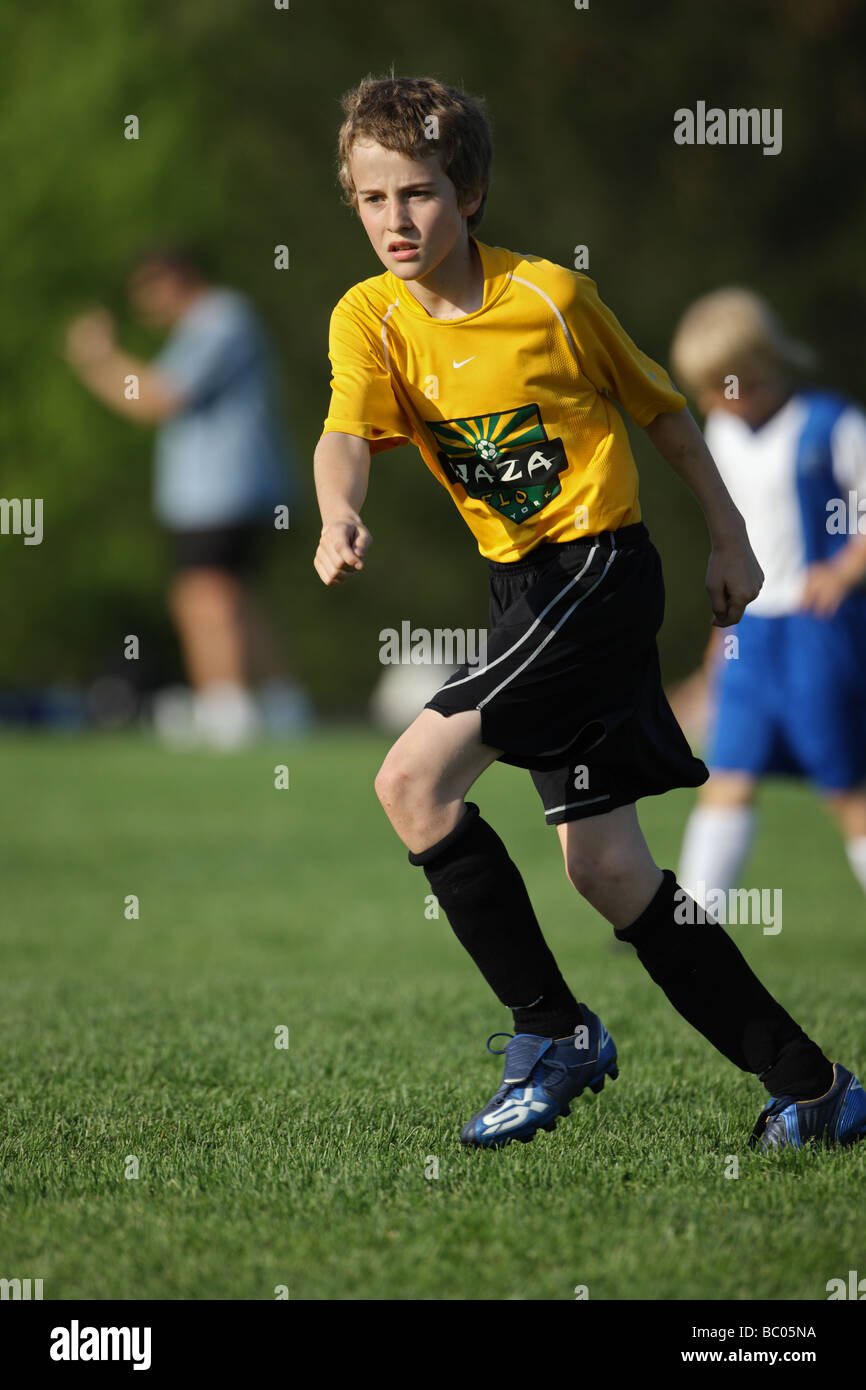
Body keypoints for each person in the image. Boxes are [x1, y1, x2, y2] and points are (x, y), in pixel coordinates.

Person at [313, 75, 866, 1151]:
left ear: (466, 193)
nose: (394, 220)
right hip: (519, 592)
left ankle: (552, 1031)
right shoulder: (365, 317)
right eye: (372, 199)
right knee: (606, 871)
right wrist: (338, 512)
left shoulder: (551, 299)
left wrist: (726, 535)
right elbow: (345, 433)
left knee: (408, 781)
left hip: (598, 577)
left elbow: (662, 412)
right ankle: (815, 1086)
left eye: (417, 193)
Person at [64, 245, 311, 748]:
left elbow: (158, 396)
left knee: (204, 596)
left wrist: (100, 359)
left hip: (224, 490)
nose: (147, 308)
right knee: (233, 596)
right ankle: (284, 708)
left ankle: (226, 711)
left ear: (175, 280)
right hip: (217, 492)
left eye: (149, 292)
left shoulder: (219, 319)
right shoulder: (214, 323)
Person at [672, 289, 866, 908]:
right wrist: (719, 634)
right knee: (728, 768)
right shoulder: (723, 433)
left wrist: (842, 570)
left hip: (818, 633)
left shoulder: (832, 426)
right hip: (750, 633)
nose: (709, 403)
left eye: (718, 386)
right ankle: (693, 922)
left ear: (755, 371)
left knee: (845, 781)